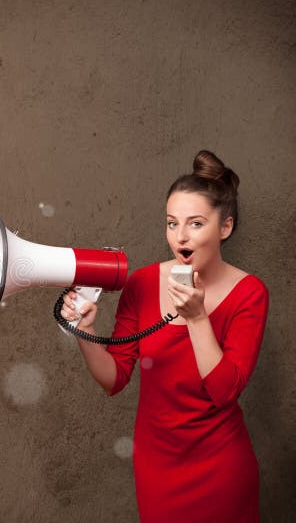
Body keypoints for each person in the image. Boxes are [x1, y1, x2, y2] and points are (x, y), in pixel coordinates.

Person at [60, 150, 270, 523]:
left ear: (225, 228)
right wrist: (85, 331)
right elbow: (114, 379)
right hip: (158, 468)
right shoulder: (141, 284)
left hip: (220, 468)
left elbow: (225, 392)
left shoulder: (249, 292)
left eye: (195, 224)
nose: (180, 237)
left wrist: (197, 318)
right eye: (172, 223)